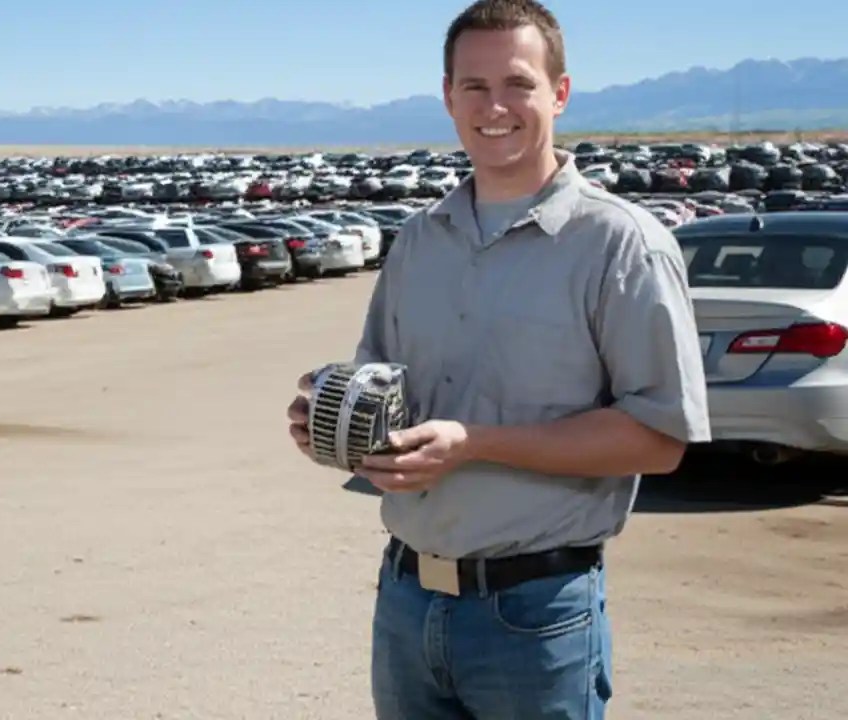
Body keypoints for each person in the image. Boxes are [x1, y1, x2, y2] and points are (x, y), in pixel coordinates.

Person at [286, 1, 711, 718]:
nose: (495, 107)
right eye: (474, 87)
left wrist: (472, 444)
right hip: (405, 601)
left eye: (517, 83)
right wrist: (335, 420)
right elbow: (386, 392)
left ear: (560, 94)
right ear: (449, 96)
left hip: (535, 617)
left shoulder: (620, 245)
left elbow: (659, 438)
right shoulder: (419, 242)